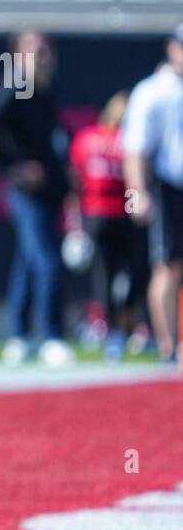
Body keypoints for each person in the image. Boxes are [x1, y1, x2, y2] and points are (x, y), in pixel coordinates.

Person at [0, 30, 76, 368]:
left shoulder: (48, 89)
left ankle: (18, 336)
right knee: (47, 261)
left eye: (45, 49)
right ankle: (52, 337)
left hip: (50, 191)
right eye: (33, 49)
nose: (41, 55)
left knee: (28, 263)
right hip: (26, 194)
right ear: (17, 55)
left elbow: (49, 140)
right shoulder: (17, 85)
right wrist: (15, 169)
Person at [68, 91, 146, 361]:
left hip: (115, 214)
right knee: (111, 273)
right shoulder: (105, 140)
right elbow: (77, 182)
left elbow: (75, 183)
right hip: (107, 213)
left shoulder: (93, 138)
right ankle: (113, 328)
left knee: (122, 273)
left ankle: (122, 327)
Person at [122, 24, 183, 364]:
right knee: (168, 266)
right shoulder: (153, 92)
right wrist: (137, 193)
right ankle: (168, 346)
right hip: (168, 186)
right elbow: (136, 150)